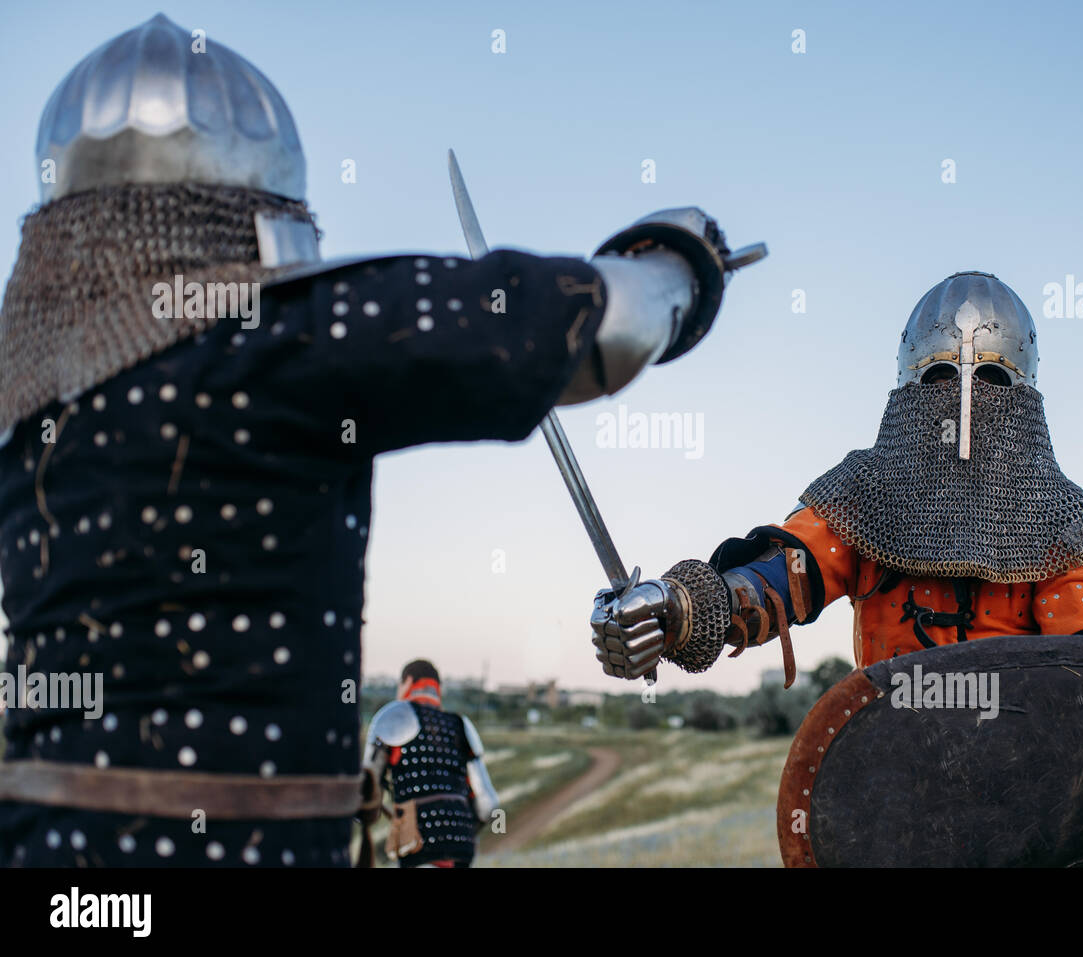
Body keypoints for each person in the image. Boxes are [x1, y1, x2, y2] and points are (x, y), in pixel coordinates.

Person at [0, 13, 752, 867]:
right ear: (252, 212)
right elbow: (590, 324)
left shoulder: (20, 399)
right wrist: (682, 261)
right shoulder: (273, 338)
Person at [591, 271, 1083, 685]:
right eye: (941, 376)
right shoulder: (870, 491)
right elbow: (783, 577)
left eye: (993, 378)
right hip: (888, 768)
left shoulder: (1054, 513)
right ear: (911, 386)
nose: (964, 399)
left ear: (1021, 396)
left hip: (1018, 775)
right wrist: (683, 606)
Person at [362, 660, 496, 869]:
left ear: (407, 682)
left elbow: (366, 792)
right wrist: (456, 827)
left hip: (419, 848)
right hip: (462, 849)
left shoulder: (393, 717)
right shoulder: (461, 725)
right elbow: (488, 806)